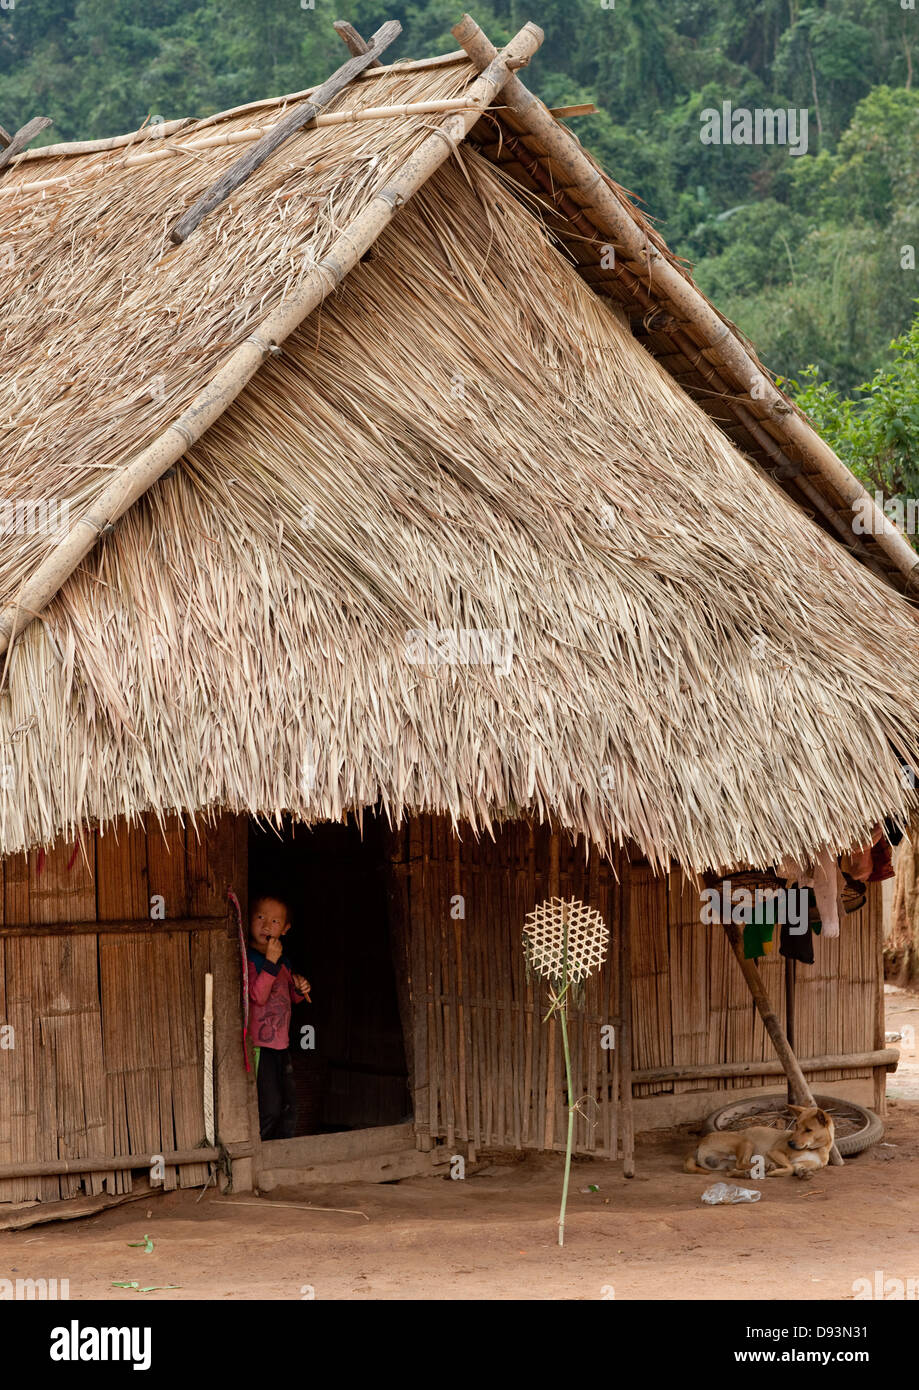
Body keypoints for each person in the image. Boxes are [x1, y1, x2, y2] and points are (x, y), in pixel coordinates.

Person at [247, 895, 311, 1140]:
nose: (265, 925)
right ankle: (256, 1154)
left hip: (280, 1045)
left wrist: (300, 986)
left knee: (288, 1106)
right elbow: (258, 996)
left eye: (274, 921)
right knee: (269, 1108)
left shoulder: (283, 962)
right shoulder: (251, 960)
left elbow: (288, 998)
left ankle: (278, 1153)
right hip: (260, 1048)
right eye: (260, 917)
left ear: (285, 929)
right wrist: (271, 963)